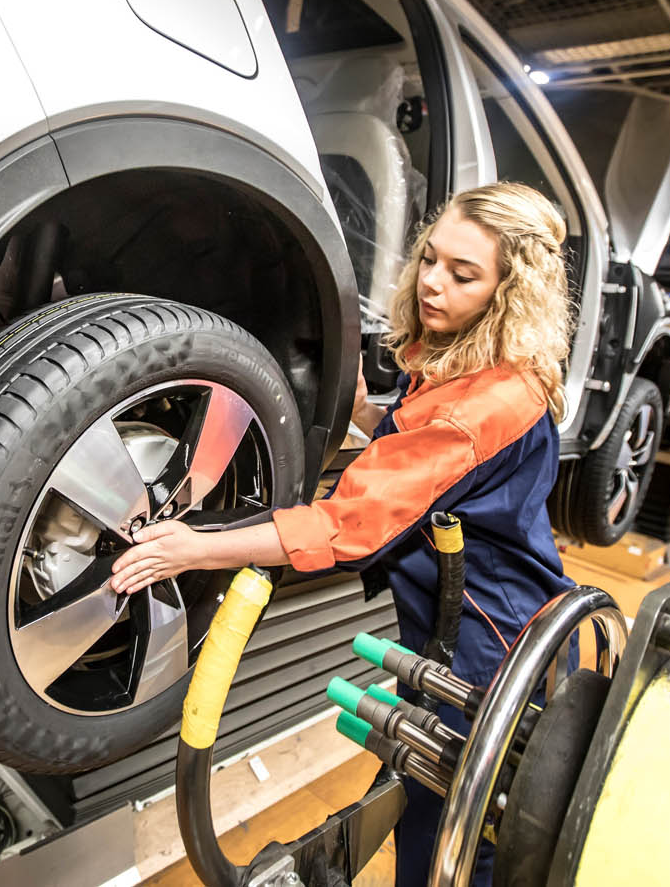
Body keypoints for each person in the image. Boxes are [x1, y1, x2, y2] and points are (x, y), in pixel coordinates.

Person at [110, 182, 576, 887]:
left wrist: (194, 547)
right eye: (431, 259)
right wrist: (362, 410)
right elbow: (424, 459)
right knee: (431, 810)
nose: (433, 282)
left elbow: (347, 524)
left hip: (493, 646)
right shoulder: (477, 357)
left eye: (463, 274)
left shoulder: (487, 405)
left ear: (511, 291)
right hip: (475, 622)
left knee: (453, 837)